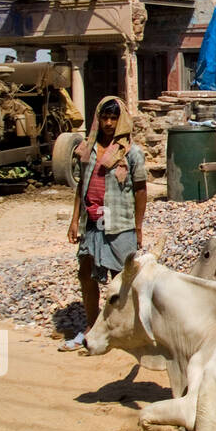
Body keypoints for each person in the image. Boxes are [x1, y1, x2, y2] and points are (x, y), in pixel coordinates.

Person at [63, 96, 147, 351]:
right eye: (104, 117)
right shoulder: (87, 149)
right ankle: (91, 327)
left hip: (119, 223)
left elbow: (141, 191)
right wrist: (74, 220)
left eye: (113, 118)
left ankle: (122, 331)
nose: (109, 123)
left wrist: (138, 227)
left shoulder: (131, 152)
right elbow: (81, 186)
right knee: (86, 275)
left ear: (120, 120)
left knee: (120, 279)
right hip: (93, 221)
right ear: (98, 119)